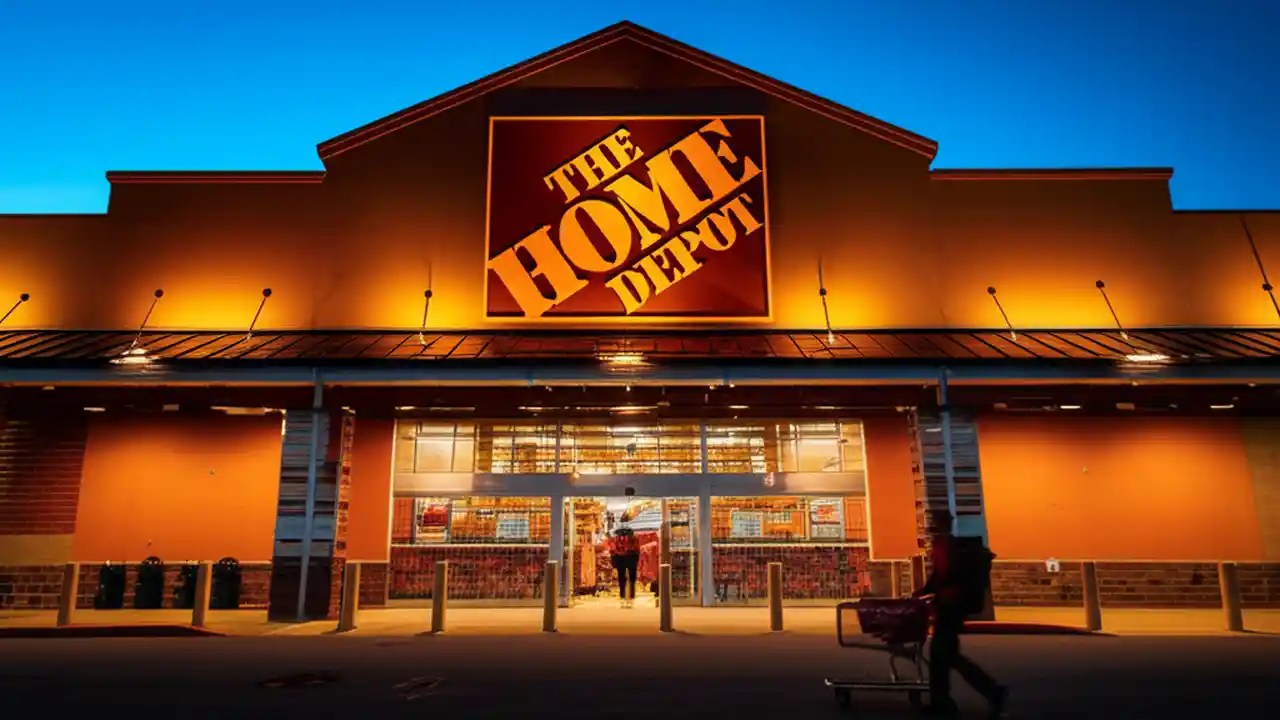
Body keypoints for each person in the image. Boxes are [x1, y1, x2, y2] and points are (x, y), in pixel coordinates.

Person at [914, 510, 1008, 718]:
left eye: (933, 524)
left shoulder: (946, 547)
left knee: (943, 654)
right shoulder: (949, 545)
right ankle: (943, 700)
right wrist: (926, 591)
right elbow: (939, 576)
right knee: (944, 655)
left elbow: (943, 576)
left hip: (950, 607)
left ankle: (990, 691)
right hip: (951, 606)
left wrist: (928, 592)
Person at [608, 526, 640, 607]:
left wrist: (614, 564)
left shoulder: (616, 539)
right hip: (631, 558)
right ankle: (631, 597)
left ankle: (622, 596)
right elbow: (637, 550)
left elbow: (613, 551)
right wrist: (637, 561)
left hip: (620, 559)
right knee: (632, 579)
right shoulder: (633, 539)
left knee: (622, 579)